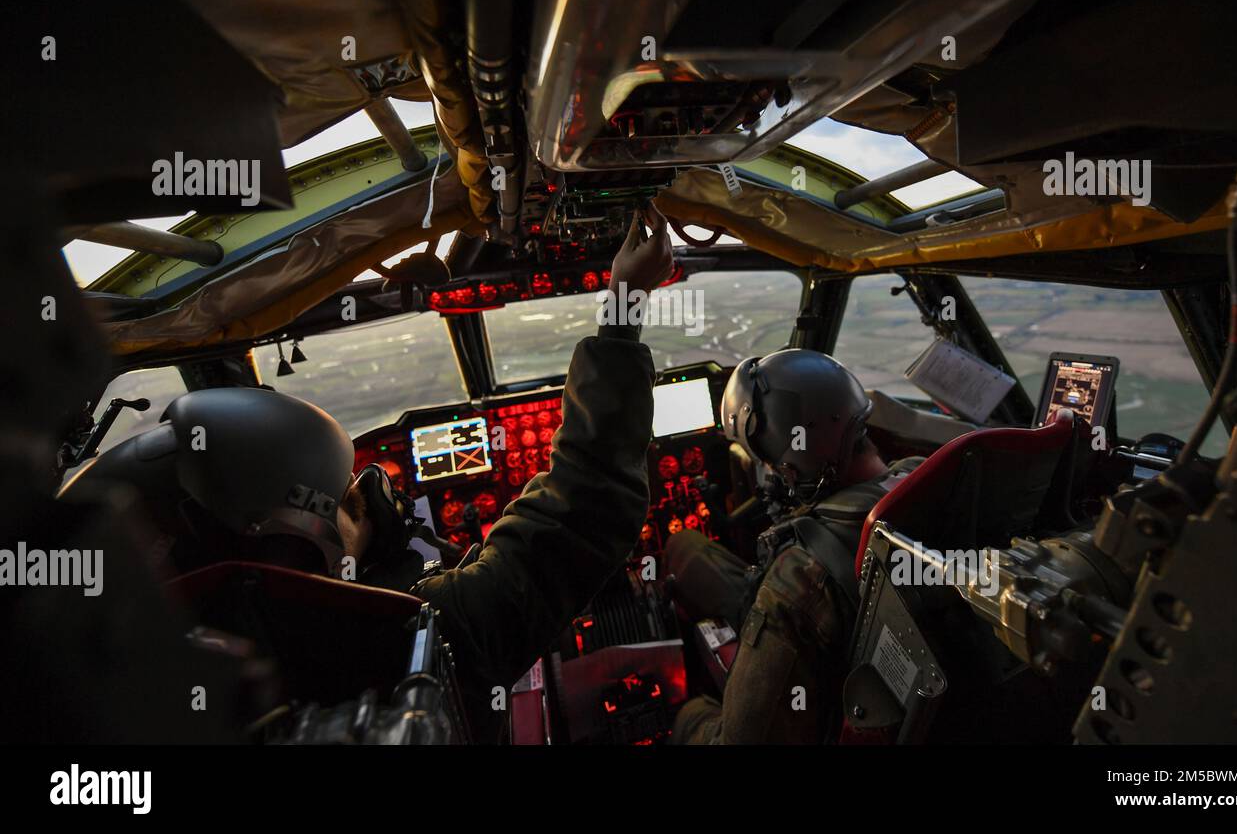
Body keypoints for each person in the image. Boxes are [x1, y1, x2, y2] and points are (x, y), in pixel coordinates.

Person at [61, 205, 675, 743]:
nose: (371, 498)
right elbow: (584, 507)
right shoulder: (407, 633)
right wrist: (622, 310)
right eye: (348, 505)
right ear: (294, 547)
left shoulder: (127, 694)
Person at [666, 348, 924, 744]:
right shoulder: (922, 478)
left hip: (816, 640)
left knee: (687, 714)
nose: (768, 471)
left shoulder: (797, 580)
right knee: (685, 546)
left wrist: (689, 717)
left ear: (792, 467)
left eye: (769, 462)